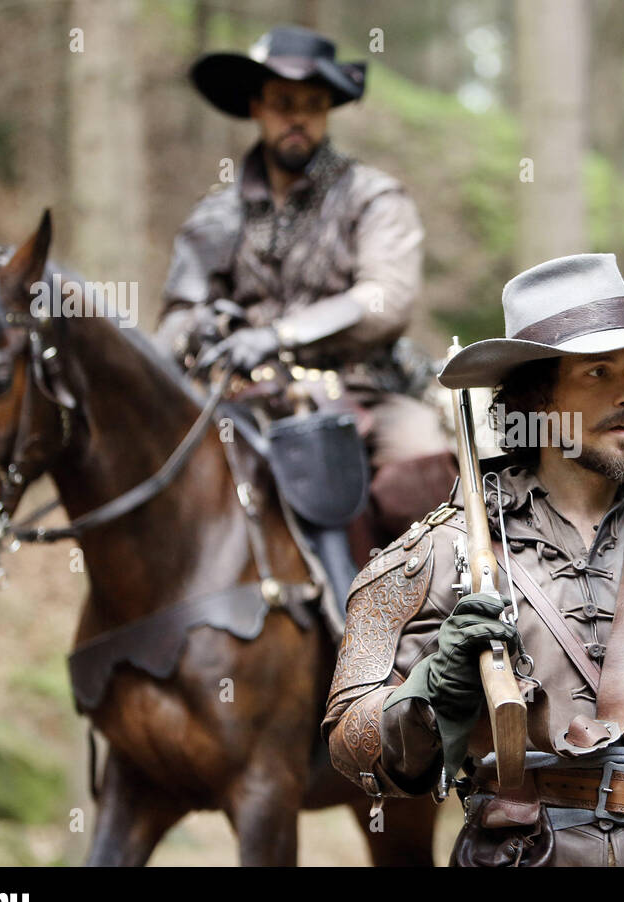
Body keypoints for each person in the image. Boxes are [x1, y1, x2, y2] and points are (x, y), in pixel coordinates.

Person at [322, 252, 624, 866]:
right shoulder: (443, 546)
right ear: (538, 399)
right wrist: (434, 693)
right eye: (597, 373)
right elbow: (355, 748)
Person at [156, 25, 455, 546]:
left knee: (425, 478)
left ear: (328, 112)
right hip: (245, 396)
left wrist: (279, 334)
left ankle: (440, 622)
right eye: (283, 102)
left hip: (365, 391)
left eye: (312, 105)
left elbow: (386, 298)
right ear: (256, 106)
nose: (297, 117)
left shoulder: (374, 198)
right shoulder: (215, 214)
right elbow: (177, 315)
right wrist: (198, 328)